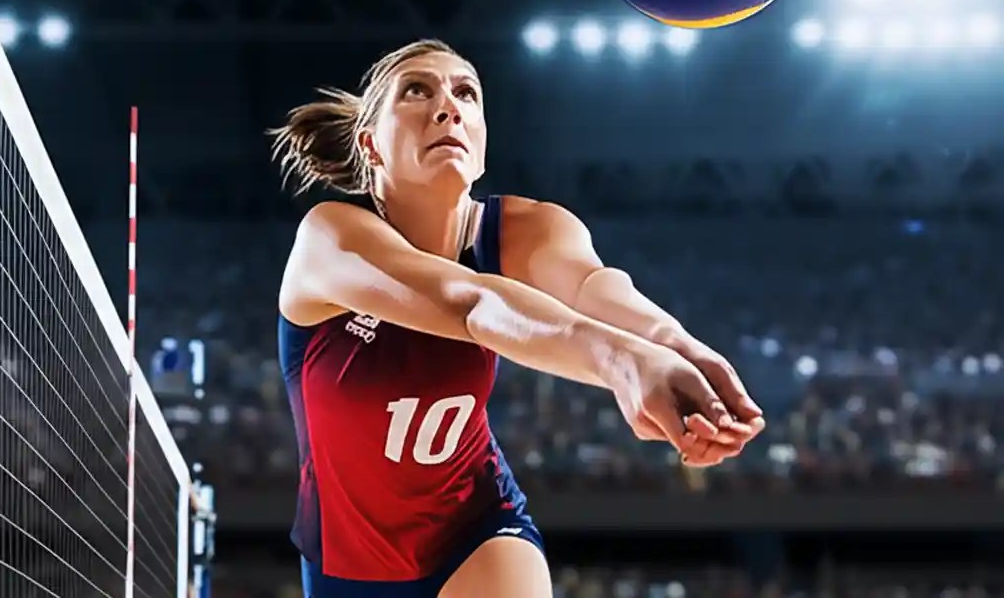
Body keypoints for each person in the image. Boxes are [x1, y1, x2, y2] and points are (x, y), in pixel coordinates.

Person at [268, 39, 765, 598]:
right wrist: (621, 361)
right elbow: (470, 302)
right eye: (417, 90)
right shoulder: (328, 239)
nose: (447, 106)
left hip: (476, 529)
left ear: (480, 148)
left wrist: (676, 347)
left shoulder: (529, 230)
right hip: (347, 565)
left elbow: (593, 290)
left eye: (466, 93)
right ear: (370, 145)